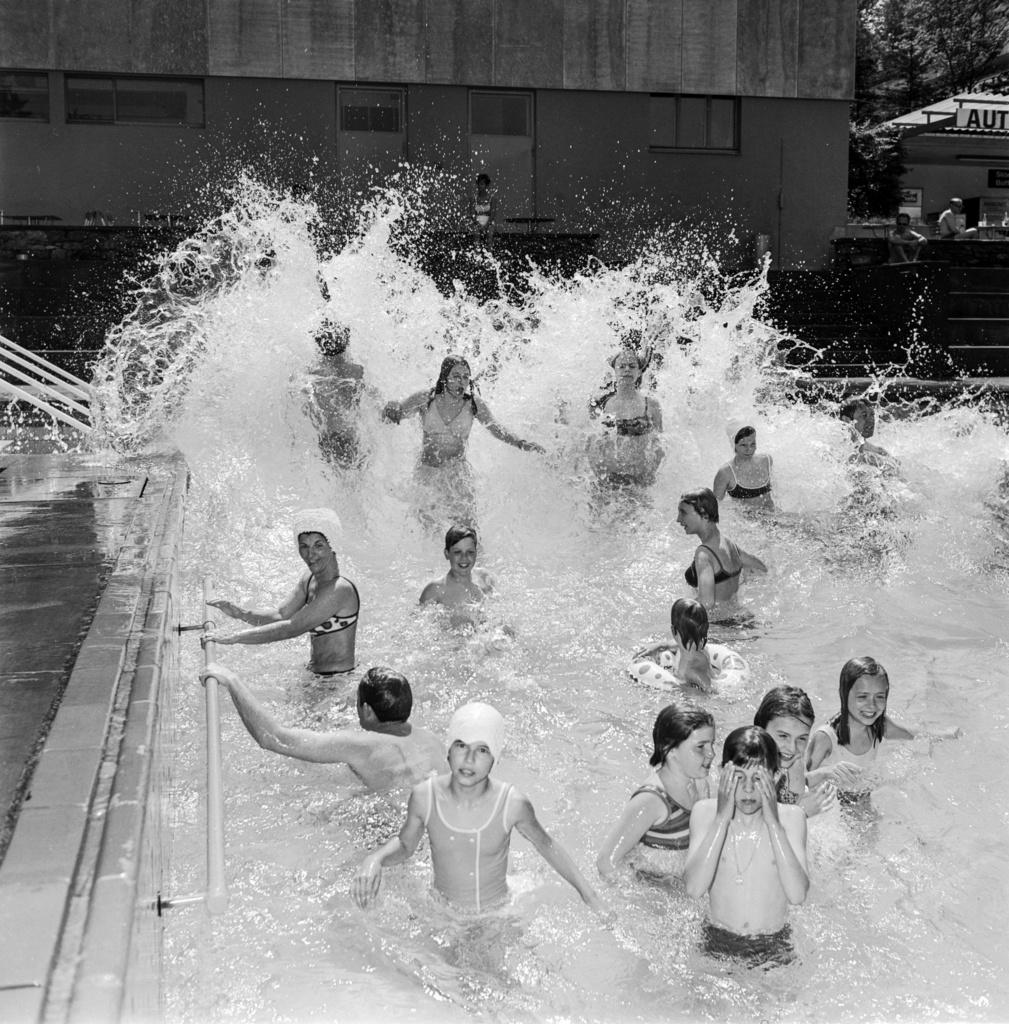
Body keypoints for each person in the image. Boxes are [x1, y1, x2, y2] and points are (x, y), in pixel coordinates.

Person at [354, 702, 607, 915]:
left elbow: (546, 845)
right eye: (462, 745)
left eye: (482, 750)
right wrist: (374, 859)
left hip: (496, 913)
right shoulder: (425, 796)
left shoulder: (511, 803)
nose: (469, 759)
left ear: (494, 759)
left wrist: (589, 895)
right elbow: (406, 845)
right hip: (444, 912)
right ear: (449, 751)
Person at [200, 662, 444, 791]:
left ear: (367, 710)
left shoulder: (362, 745)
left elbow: (273, 738)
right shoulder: (433, 740)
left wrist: (232, 681)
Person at [684, 726, 808, 966]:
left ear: (776, 777)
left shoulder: (791, 818)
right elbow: (693, 889)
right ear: (722, 774)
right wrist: (721, 818)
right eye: (738, 778)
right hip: (716, 941)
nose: (748, 789)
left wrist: (773, 823)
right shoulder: (706, 813)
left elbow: (797, 895)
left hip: (774, 945)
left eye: (759, 779)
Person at [382, 355, 544, 523]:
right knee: (430, 530)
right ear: (444, 377)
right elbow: (394, 415)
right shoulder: (425, 399)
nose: (462, 381)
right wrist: (391, 405)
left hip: (457, 473)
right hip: (427, 472)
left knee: (468, 527)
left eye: (466, 377)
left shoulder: (473, 404)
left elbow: (496, 428)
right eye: (456, 376)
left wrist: (521, 443)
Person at [208, 508, 360, 678]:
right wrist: (240, 613)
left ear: (333, 547)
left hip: (338, 680)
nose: (310, 554)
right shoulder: (309, 578)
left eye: (319, 545)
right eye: (304, 546)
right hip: (314, 675)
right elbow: (280, 615)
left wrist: (235, 637)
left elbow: (292, 628)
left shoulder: (339, 589)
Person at [596, 703, 715, 878]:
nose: (711, 753)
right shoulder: (651, 800)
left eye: (712, 744)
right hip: (652, 886)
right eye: (701, 747)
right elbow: (606, 863)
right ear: (670, 750)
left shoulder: (699, 784)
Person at [805, 656, 913, 799]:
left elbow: (913, 735)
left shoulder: (879, 726)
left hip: (861, 795)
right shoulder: (826, 738)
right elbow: (800, 781)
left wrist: (947, 735)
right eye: (862, 697)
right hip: (831, 800)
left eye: (879, 697)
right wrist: (827, 772)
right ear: (843, 694)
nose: (872, 706)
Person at [629, 598, 749, 693]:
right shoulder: (698, 647)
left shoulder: (692, 669)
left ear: (674, 631)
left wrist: (682, 690)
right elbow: (677, 644)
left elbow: (711, 690)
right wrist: (661, 645)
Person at [677, 489, 767, 612]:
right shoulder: (730, 545)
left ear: (704, 513)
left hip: (719, 627)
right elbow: (761, 568)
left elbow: (707, 603)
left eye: (683, 512)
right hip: (740, 618)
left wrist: (679, 609)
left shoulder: (704, 554)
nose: (678, 519)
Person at [753, 686, 835, 818]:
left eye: (802, 738)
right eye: (783, 736)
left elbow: (789, 797)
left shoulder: (794, 763)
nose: (792, 748)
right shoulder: (747, 769)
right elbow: (749, 826)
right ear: (760, 730)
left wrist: (825, 773)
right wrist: (801, 812)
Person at [587, 348, 664, 487]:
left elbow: (659, 446)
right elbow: (590, 443)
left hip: (640, 480)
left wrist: (650, 474)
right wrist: (599, 476)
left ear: (639, 371)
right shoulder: (602, 404)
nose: (627, 370)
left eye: (632, 366)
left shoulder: (651, 405)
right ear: (614, 371)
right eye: (621, 366)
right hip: (607, 479)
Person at [306, 317, 369, 468]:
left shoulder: (314, 374)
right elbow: (374, 396)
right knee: (355, 481)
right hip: (352, 433)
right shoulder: (357, 371)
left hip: (328, 435)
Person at [419, 523, 493, 628]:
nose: (464, 558)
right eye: (457, 552)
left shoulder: (484, 578)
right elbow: (417, 626)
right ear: (447, 554)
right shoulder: (435, 590)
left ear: (476, 553)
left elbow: (496, 614)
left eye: (470, 552)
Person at [712, 422, 773, 510]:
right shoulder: (726, 472)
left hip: (773, 517)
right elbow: (715, 508)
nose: (749, 449)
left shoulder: (766, 460)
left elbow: (776, 493)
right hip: (748, 522)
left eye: (753, 444)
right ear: (734, 445)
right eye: (743, 445)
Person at [838, 396, 896, 469]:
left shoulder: (879, 451)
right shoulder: (838, 452)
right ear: (847, 420)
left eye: (872, 414)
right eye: (864, 415)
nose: (871, 420)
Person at [471, 173, 495, 241]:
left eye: (482, 184)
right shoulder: (474, 198)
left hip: (489, 222)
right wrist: (478, 225)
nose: (479, 186)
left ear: (486, 186)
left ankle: (489, 251)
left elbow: (492, 214)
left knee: (490, 235)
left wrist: (486, 225)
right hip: (477, 221)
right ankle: (476, 251)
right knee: (476, 234)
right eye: (478, 184)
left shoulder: (492, 198)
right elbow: (472, 214)